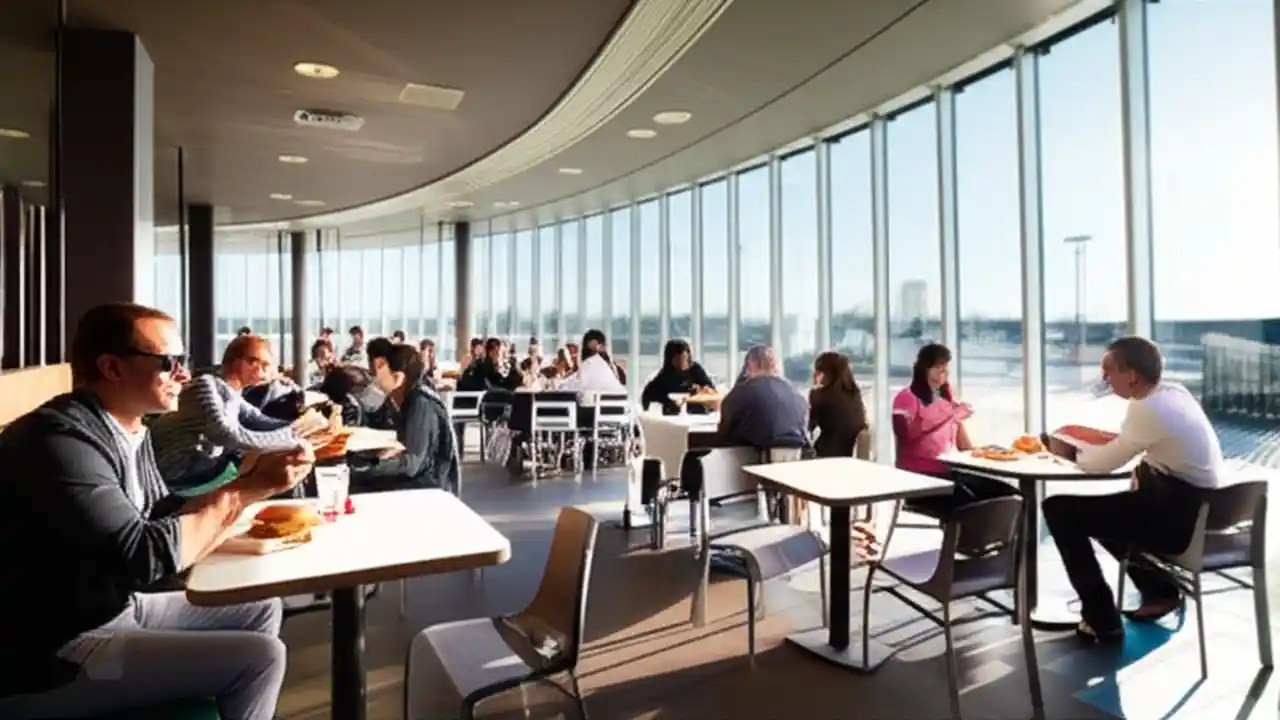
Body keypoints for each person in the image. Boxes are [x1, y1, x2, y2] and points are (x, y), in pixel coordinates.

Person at [0, 303, 314, 720]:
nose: (184, 375)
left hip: (116, 609)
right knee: (262, 657)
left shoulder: (130, 427)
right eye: (169, 363)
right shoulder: (60, 441)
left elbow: (166, 511)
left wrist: (251, 490)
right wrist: (249, 488)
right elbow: (145, 557)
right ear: (112, 367)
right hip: (59, 650)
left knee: (261, 606)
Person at [1042, 336, 1224, 642]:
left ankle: (1101, 618)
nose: (1103, 378)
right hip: (1203, 511)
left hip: (1180, 524)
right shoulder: (1173, 393)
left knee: (1059, 510)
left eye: (1108, 371)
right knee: (1106, 512)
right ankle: (1160, 589)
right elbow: (1128, 442)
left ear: (1132, 376)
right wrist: (1086, 436)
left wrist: (1066, 450)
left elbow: (1100, 465)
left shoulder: (1148, 409)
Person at [151, 334, 328, 491]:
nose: (265, 372)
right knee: (259, 457)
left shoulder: (233, 395)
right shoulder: (205, 385)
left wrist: (307, 428)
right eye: (263, 364)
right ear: (243, 362)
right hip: (179, 477)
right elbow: (228, 435)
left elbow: (259, 421)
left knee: (268, 453)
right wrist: (294, 438)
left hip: (201, 470)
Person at [890, 343, 1018, 517]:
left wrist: (985, 451)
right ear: (923, 369)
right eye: (936, 367)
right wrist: (949, 416)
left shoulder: (946, 402)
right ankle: (964, 543)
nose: (942, 371)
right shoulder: (906, 398)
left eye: (945, 366)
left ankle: (1012, 543)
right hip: (919, 478)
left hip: (948, 472)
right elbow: (905, 435)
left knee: (1010, 495)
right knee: (977, 504)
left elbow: (964, 446)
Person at [350, 343, 459, 494]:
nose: (374, 375)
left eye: (381, 368)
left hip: (426, 485)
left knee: (355, 485)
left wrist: (367, 467)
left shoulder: (421, 404)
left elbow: (413, 463)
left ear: (398, 377)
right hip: (417, 480)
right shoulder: (399, 400)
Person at [808, 351, 868, 457]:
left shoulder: (820, 396)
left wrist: (815, 389)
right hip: (849, 455)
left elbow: (808, 426)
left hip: (826, 456)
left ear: (823, 374)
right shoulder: (854, 393)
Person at [641, 339, 716, 415]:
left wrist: (700, 390)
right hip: (673, 417)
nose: (682, 363)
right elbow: (647, 396)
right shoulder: (665, 376)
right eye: (678, 359)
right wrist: (669, 402)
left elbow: (711, 389)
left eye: (684, 358)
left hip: (698, 414)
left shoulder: (695, 370)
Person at [559, 330, 625, 393]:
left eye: (582, 345)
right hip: (615, 403)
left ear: (592, 344)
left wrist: (560, 385)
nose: (580, 351)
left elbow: (577, 387)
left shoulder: (590, 363)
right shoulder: (604, 364)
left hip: (600, 403)